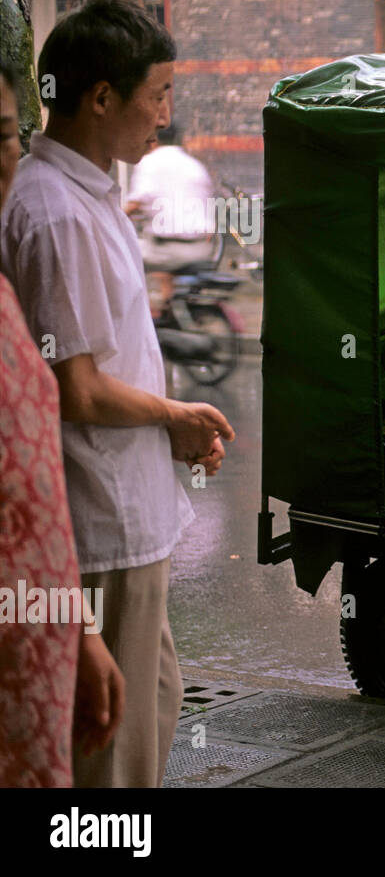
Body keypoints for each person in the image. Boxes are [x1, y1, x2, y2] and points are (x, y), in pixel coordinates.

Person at [0, 0, 235, 787]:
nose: (167, 115)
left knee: (152, 706)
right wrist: (174, 414)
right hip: (98, 517)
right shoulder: (53, 212)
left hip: (130, 509)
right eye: (157, 94)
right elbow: (80, 389)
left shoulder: (92, 192)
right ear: (101, 97)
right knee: (110, 750)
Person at [0, 62, 127, 787]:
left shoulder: (3, 303)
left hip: (33, 669)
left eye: (2, 135)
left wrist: (77, 633)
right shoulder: (52, 213)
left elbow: (30, 503)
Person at [125, 123, 217, 319]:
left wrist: (112, 218)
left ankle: (142, 315)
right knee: (159, 253)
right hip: (202, 248)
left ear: (153, 139)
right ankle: (168, 307)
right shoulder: (195, 165)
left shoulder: (150, 163)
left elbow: (136, 201)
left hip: (170, 249)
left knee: (123, 257)